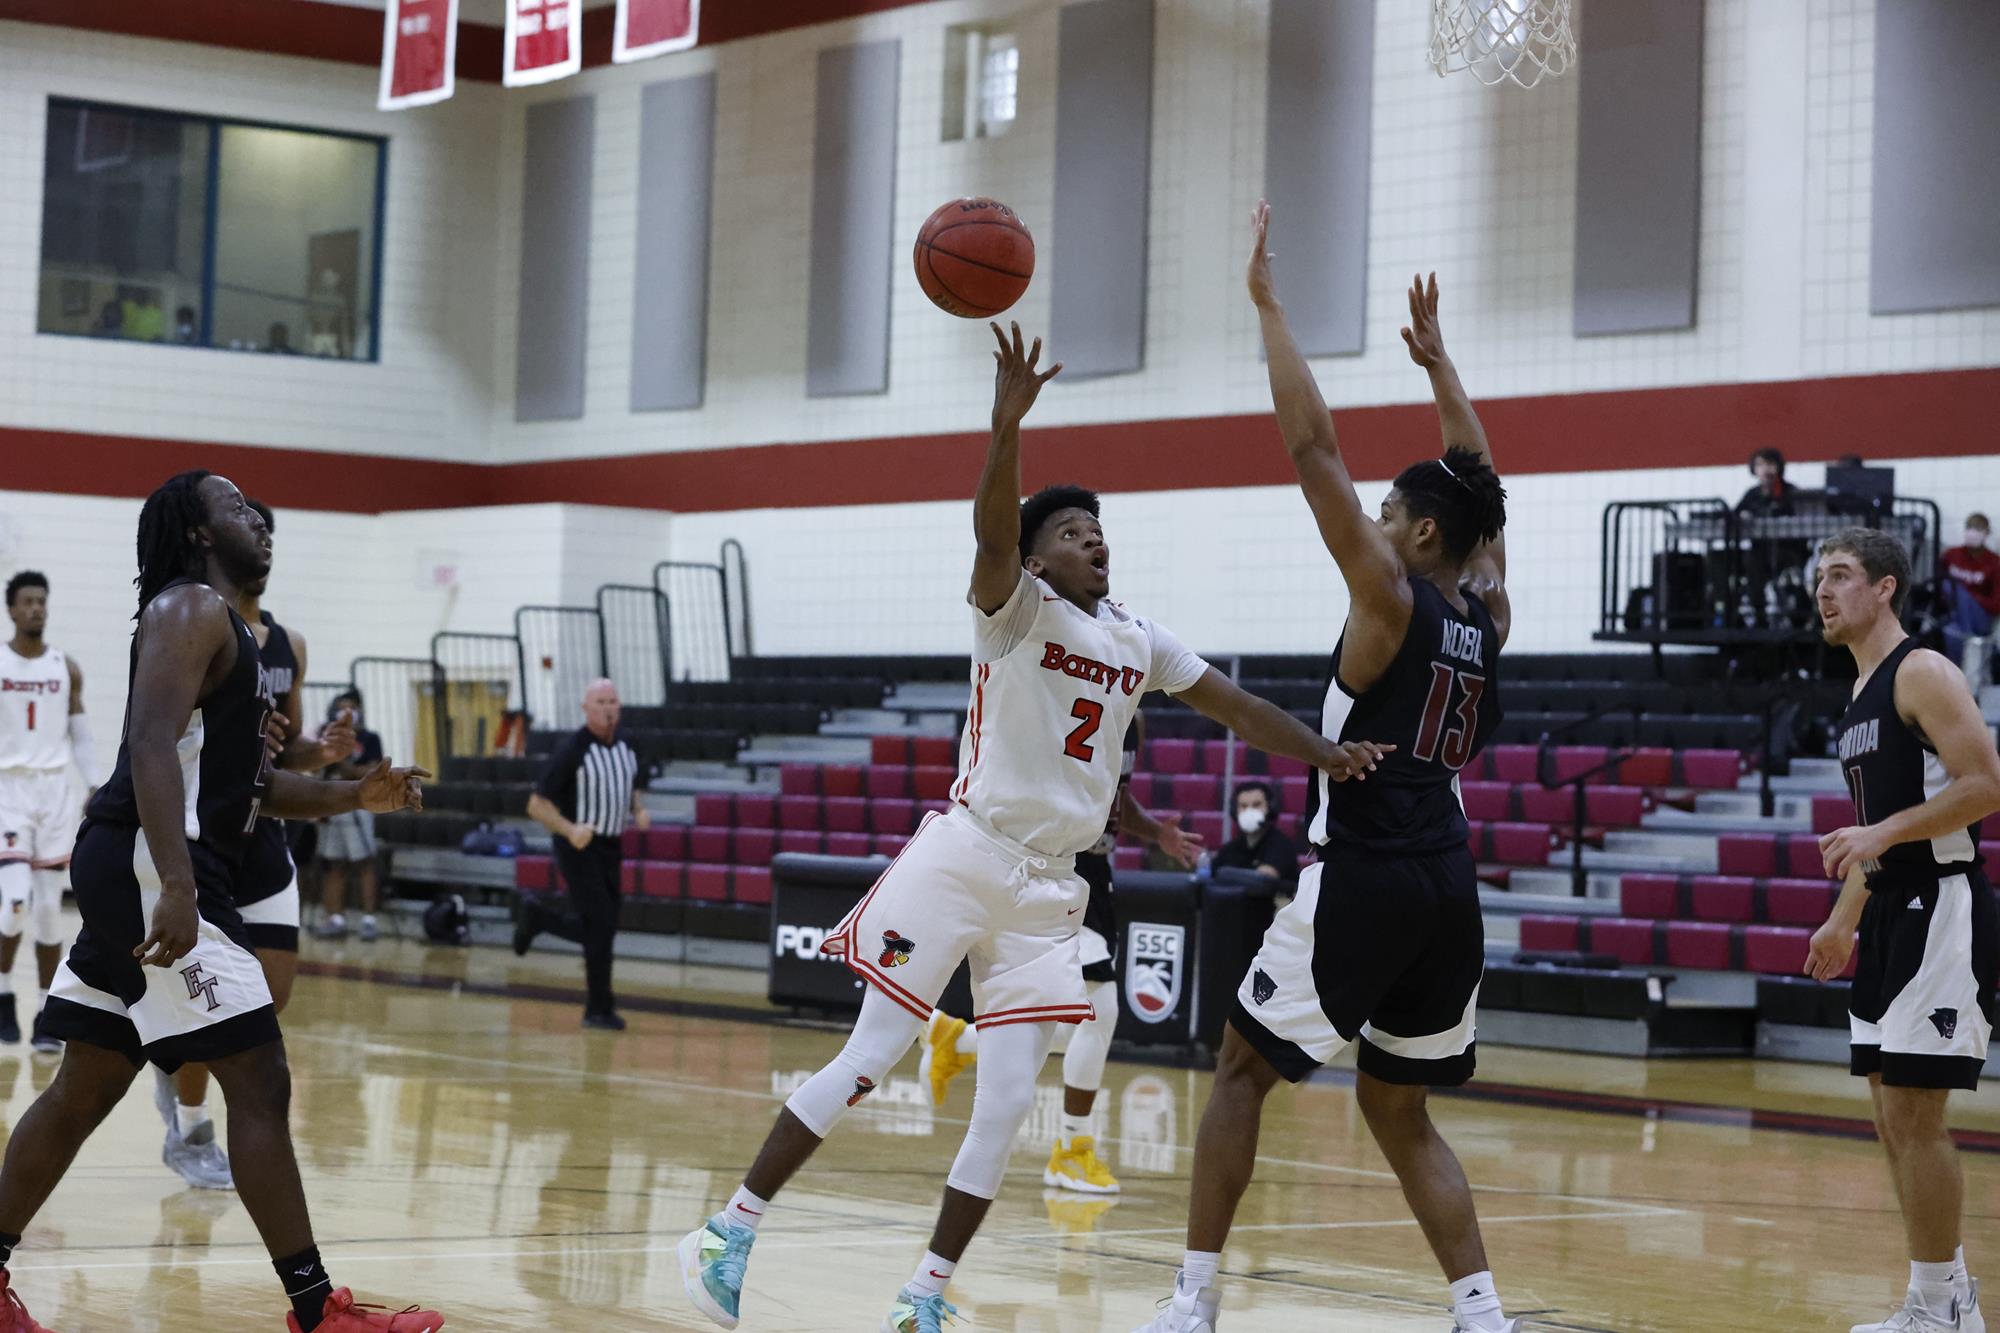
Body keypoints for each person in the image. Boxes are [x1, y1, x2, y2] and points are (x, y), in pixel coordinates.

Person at [677, 321, 1387, 1333]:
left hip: (1052, 887)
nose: (1092, 538)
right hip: (965, 853)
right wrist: (1005, 424)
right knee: (869, 1058)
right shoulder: (1012, 611)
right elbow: (989, 536)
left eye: (1098, 530)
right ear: (1038, 556)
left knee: (1007, 1105)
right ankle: (728, 1229)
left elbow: (1232, 705)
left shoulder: (1136, 637)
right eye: (1071, 531)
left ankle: (920, 1298)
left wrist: (1322, 755)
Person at [1133, 213, 1515, 1333]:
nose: (1378, 519)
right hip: (1449, 879)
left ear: (1425, 537)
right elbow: (1483, 487)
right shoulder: (1485, 611)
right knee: (1397, 1108)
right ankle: (1480, 1312)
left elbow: (1311, 453)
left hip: (1362, 867)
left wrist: (1266, 310)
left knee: (1241, 1068)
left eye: (1394, 513)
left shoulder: (1391, 596)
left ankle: (1192, 1300)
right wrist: (1442, 369)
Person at [0, 470, 441, 1332]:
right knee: (259, 1074)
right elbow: (148, 742)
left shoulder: (226, 626)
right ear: (200, 533)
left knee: (83, 1085)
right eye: (236, 507)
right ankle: (319, 1311)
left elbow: (248, 785)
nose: (258, 520)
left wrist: (355, 792)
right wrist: (176, 882)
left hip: (139, 862)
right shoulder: (188, 609)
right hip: (150, 864)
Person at [1805, 527, 1998, 1333]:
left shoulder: (1921, 670)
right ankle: (1939, 1300)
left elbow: (1986, 783)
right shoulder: (1857, 698)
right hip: (1887, 911)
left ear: (1885, 588)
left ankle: (1938, 1309)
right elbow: (1871, 826)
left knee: (1917, 1113)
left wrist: (1881, 838)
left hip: (1941, 904)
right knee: (1891, 1111)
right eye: (1820, 577)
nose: (1825, 590)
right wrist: (1844, 915)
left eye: (1842, 575)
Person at [153, 499, 354, 1192]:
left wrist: (322, 753)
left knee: (271, 991)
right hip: (208, 832)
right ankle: (191, 1122)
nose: (261, 534)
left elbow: (280, 746)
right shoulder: (196, 624)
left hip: (265, 831)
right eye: (248, 521)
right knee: (219, 1004)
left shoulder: (287, 644)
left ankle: (183, 1073)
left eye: (266, 527)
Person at [919, 718, 1205, 1198]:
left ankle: (959, 1041)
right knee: (1101, 1010)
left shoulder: (1135, 720)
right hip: (1056, 863)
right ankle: (1072, 1151)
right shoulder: (1083, 695)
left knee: (1071, 1025)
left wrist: (1157, 834)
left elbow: (1118, 797)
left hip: (1094, 869)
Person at [0, 572, 101, 1057]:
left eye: (42, 600)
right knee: (14, 903)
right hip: (8, 791)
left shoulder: (67, 668)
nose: (37, 608)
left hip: (55, 795)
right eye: (28, 601)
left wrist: (96, 784)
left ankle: (45, 1012)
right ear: (11, 610)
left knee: (46, 912)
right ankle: (2, 995)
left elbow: (80, 734)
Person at [517, 678, 648, 1030]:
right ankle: (598, 1008)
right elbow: (536, 804)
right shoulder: (572, 750)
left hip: (611, 845)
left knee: (602, 926)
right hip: (578, 845)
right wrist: (570, 829)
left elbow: (633, 785)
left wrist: (638, 810)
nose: (608, 708)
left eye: (613, 701)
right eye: (601, 702)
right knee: (601, 924)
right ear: (586, 709)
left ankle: (538, 918)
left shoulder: (629, 744)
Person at [316, 690, 384, 941]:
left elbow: (373, 769)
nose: (347, 712)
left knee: (364, 862)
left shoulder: (370, 738)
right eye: (341, 708)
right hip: (331, 801)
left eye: (351, 708)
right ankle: (335, 917)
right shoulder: (328, 737)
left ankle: (368, 920)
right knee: (333, 863)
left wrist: (348, 768)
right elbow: (319, 769)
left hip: (359, 803)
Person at [1210, 781, 1301, 884]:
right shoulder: (1230, 849)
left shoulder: (1282, 845)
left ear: (1270, 808)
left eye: (1256, 805)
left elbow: (1267, 877)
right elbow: (1212, 872)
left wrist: (1226, 873)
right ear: (1235, 811)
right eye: (1243, 806)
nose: (1249, 811)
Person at [1939, 514, 2000, 671]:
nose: (1972, 532)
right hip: (1955, 614)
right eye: (1969, 527)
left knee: (1959, 589)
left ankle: (1965, 634)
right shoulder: (1951, 555)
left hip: (1981, 618)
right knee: (1950, 630)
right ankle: (1953, 676)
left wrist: (1972, 597)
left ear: (1987, 532)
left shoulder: (1994, 562)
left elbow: (1996, 604)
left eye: (1977, 528)